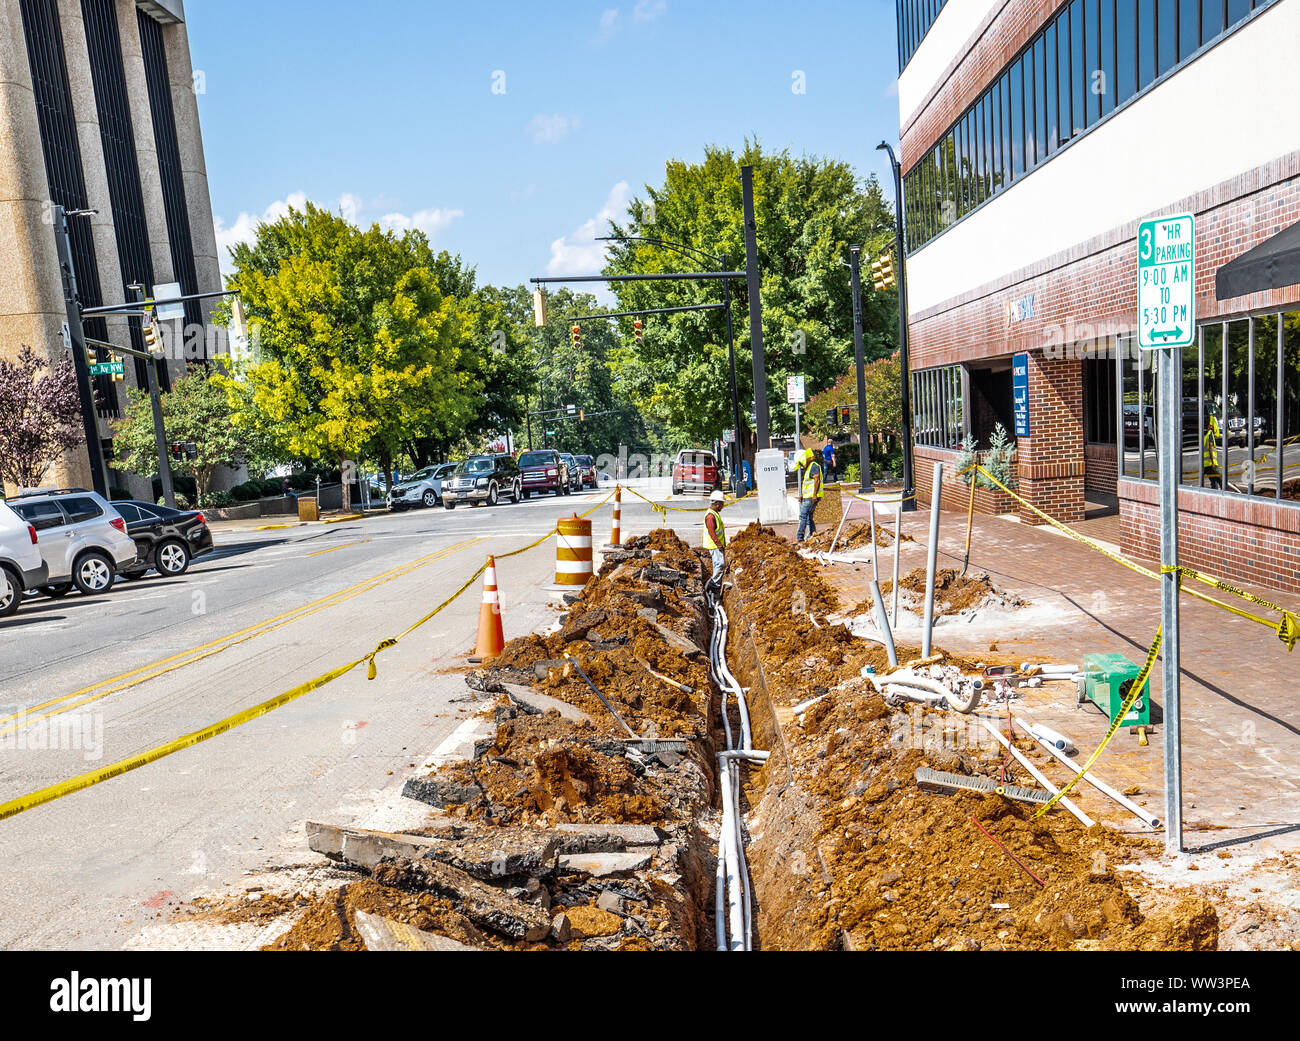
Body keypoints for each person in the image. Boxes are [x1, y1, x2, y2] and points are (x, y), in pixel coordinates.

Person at [796, 448, 823, 542]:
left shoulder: (813, 466)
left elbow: (817, 480)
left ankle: (799, 537)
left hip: (811, 497)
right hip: (809, 496)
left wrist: (814, 495)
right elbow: (808, 484)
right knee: (808, 516)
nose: (801, 466)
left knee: (803, 516)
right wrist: (802, 495)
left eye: (800, 463)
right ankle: (812, 533)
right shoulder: (809, 468)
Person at [703, 488, 727, 579]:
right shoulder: (710, 516)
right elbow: (711, 532)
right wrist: (719, 544)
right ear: (717, 503)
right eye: (722, 504)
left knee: (719, 565)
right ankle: (714, 586)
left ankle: (715, 586)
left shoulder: (714, 513)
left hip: (716, 545)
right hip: (714, 546)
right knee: (719, 565)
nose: (722, 506)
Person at [1203, 411, 1223, 489]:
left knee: (1213, 482)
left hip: (1206, 465)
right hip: (1211, 464)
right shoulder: (1210, 435)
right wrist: (1213, 463)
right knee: (1221, 480)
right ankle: (1224, 494)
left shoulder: (1205, 436)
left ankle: (1215, 494)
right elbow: (1210, 448)